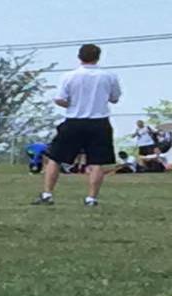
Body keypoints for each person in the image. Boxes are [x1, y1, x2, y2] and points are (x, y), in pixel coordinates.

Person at [31, 44, 121, 207]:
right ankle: (91, 198)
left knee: (55, 158)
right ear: (98, 57)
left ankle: (47, 194)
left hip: (74, 121)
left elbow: (60, 99)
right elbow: (114, 98)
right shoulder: (109, 76)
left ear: (79, 57)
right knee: (97, 162)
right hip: (99, 122)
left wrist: (73, 104)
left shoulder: (69, 76)